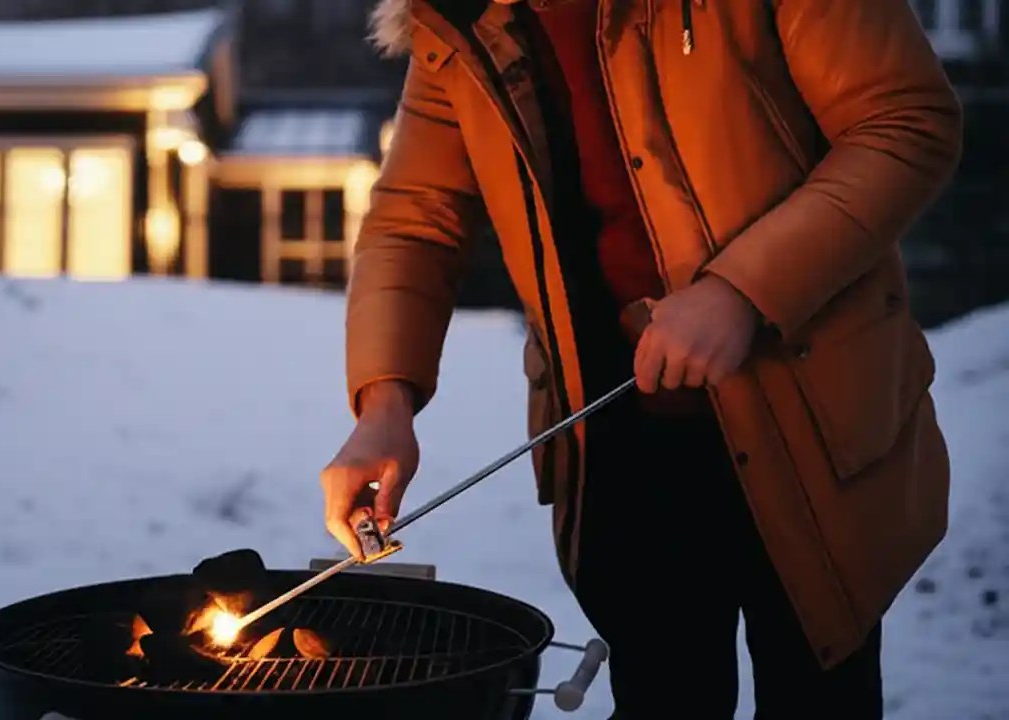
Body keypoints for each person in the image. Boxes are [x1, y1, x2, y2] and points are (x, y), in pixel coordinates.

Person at [319, 0, 962, 717]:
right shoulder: (462, 21)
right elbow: (415, 221)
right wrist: (384, 404)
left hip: (812, 418)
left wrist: (740, 292)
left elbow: (904, 123)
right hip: (616, 440)